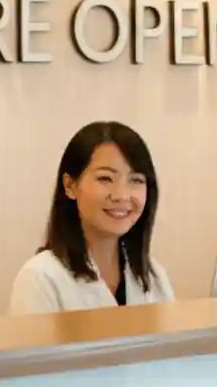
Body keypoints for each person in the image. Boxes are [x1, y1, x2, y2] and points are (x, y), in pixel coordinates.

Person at [9, 121, 175, 315]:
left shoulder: (153, 275)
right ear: (70, 186)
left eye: (135, 180)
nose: (121, 195)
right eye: (105, 178)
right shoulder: (41, 278)